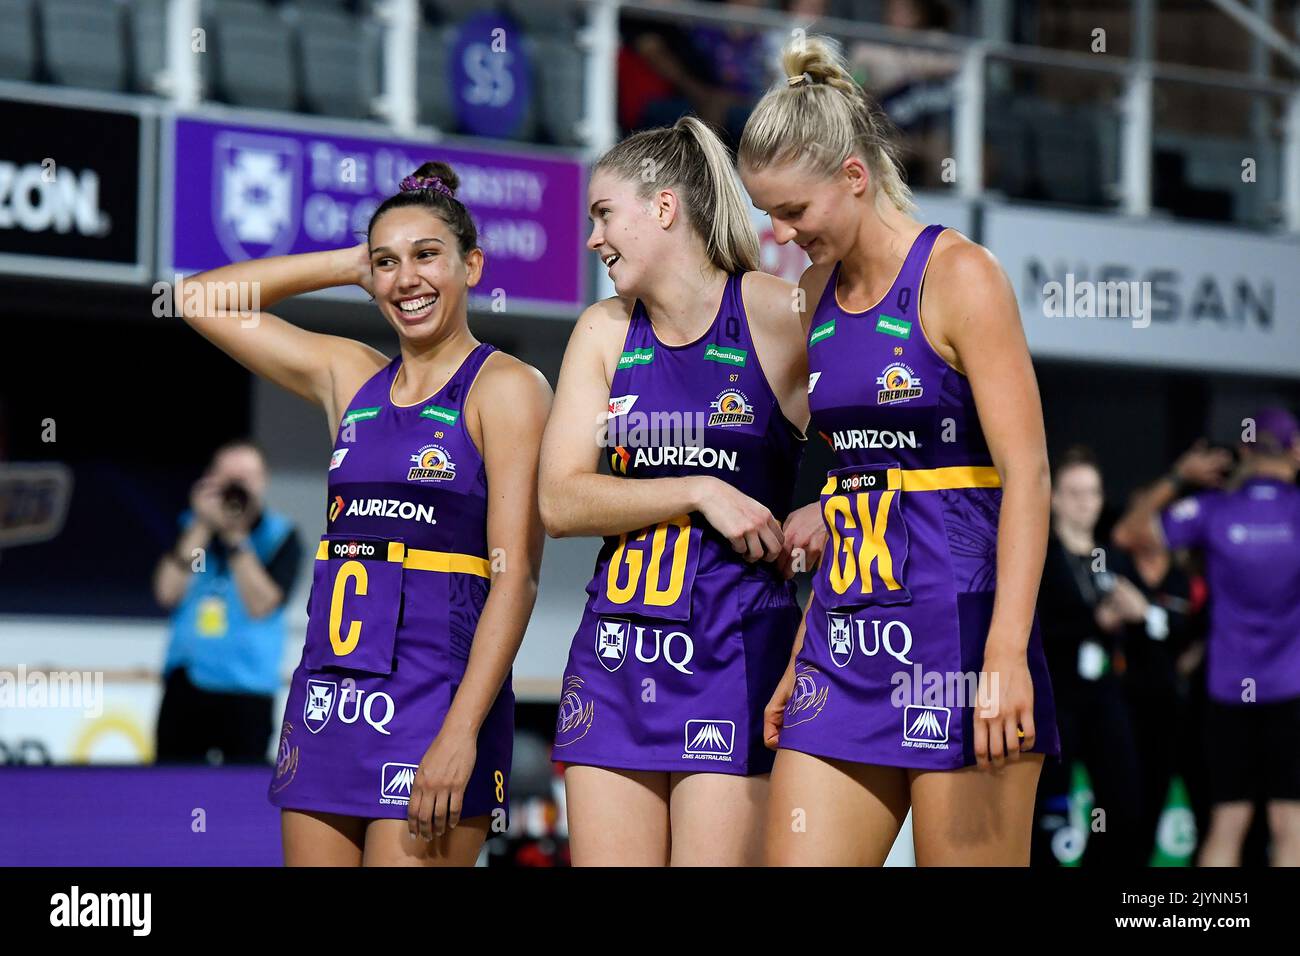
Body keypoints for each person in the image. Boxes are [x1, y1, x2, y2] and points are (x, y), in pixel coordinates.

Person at [738, 36, 1060, 866]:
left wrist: (1006, 659)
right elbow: (861, 486)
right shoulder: (814, 293)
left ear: (854, 177)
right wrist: (804, 652)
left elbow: (1027, 475)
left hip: (960, 639)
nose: (779, 233)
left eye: (793, 211)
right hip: (845, 640)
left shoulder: (962, 277)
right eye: (767, 213)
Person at [176, 161, 551, 867]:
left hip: (434, 707)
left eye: (426, 256)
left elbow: (517, 578)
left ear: (472, 265)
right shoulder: (350, 375)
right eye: (387, 263)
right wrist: (350, 261)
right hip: (329, 702)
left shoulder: (505, 386)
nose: (406, 279)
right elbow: (198, 298)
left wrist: (460, 731)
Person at [539, 116, 810, 865]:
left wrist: (818, 508)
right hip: (615, 653)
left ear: (664, 208)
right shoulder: (600, 330)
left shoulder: (774, 312)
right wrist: (698, 489)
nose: (594, 238)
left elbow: (855, 458)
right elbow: (559, 503)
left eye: (604, 214)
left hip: (735, 650)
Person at [1113, 409, 1300, 866]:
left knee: (1228, 821)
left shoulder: (1215, 511)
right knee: (1290, 825)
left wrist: (1180, 475)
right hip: (1291, 688)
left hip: (1227, 689)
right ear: (1295, 449)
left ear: (1245, 451)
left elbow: (1126, 533)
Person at [153, 439, 302, 765]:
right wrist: (203, 526)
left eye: (246, 478)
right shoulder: (191, 528)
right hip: (187, 684)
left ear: (262, 483)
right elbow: (167, 592)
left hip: (246, 690)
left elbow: (261, 604)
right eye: (228, 478)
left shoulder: (281, 536)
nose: (236, 488)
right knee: (169, 789)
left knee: (239, 796)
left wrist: (235, 536)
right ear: (209, 479)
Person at [1033, 446, 1148, 866]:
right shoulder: (1040, 556)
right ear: (1056, 498)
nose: (1086, 502)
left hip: (1105, 694)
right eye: (1075, 492)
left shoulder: (1110, 558)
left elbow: (1145, 616)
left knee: (1123, 798)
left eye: (1093, 492)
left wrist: (1140, 612)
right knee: (1049, 804)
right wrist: (1094, 620)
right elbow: (1035, 626)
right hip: (1055, 695)